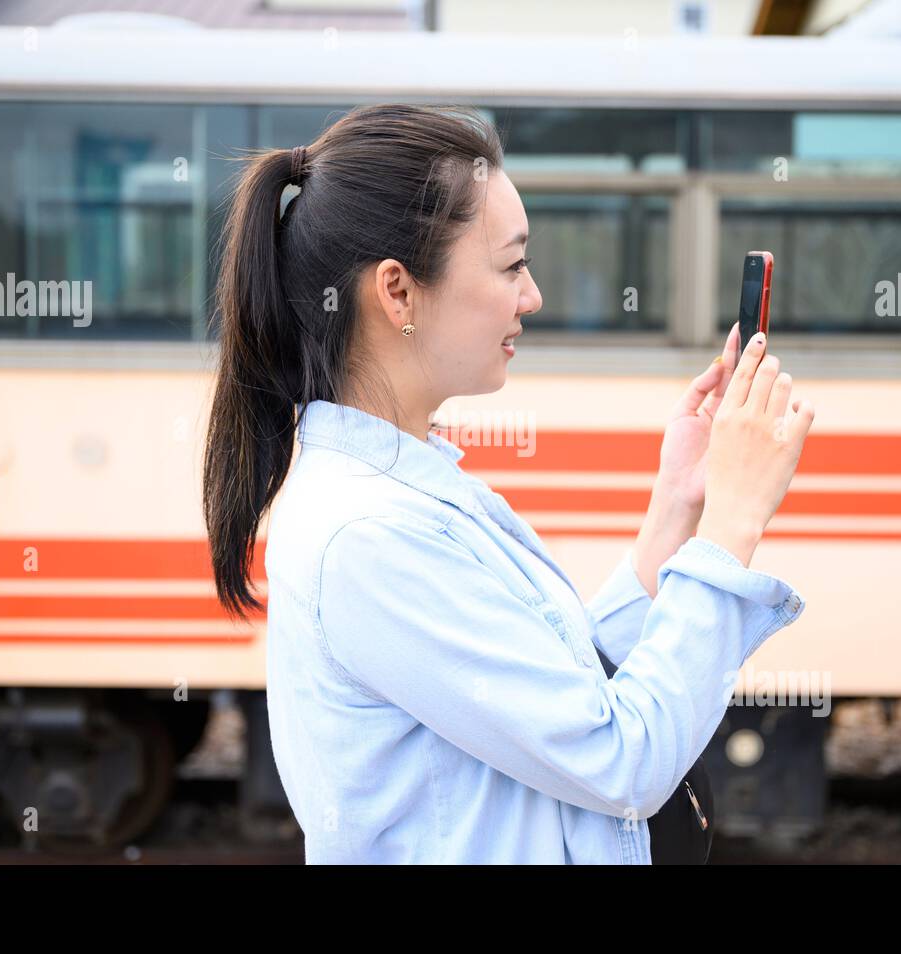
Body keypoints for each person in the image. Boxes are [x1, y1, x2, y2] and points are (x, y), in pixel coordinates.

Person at [202, 103, 815, 863]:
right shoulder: (372, 536)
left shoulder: (403, 493)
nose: (532, 297)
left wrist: (679, 507)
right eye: (510, 265)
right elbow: (622, 759)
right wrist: (733, 526)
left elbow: (562, 694)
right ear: (397, 292)